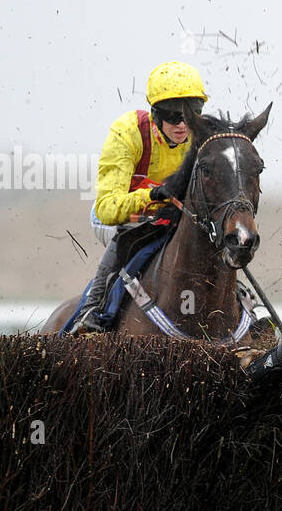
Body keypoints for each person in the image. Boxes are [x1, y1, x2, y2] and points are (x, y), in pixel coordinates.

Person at [69, 61, 207, 334]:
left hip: (173, 219)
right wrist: (153, 195)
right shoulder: (128, 132)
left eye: (191, 114)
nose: (182, 125)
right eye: (172, 115)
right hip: (121, 220)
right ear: (155, 113)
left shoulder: (200, 138)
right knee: (137, 236)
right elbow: (107, 208)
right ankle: (92, 312)